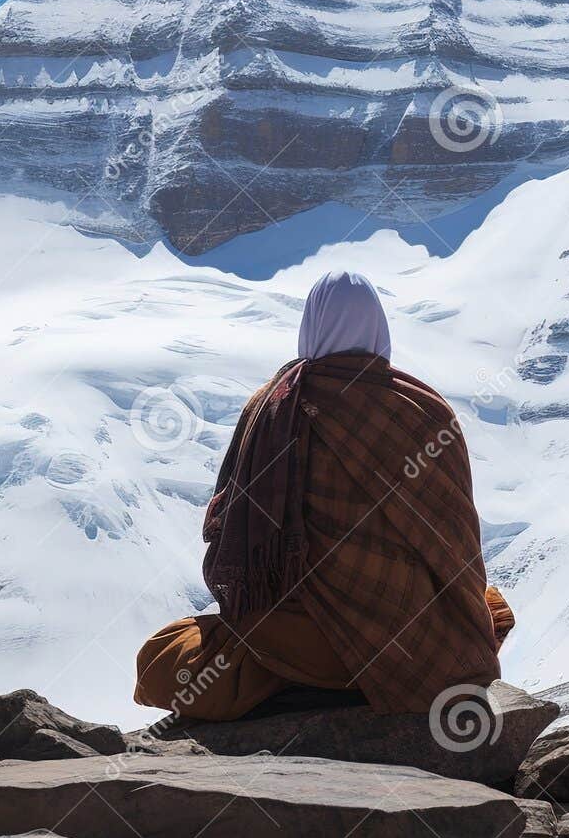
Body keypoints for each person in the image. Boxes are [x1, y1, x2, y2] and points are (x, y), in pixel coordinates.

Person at [134, 269, 515, 721]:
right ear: (379, 327)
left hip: (308, 643)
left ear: (309, 325)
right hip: (415, 644)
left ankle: (291, 685)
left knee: (162, 655)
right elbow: (458, 552)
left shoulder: (273, 408)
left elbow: (235, 536)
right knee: (492, 609)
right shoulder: (424, 410)